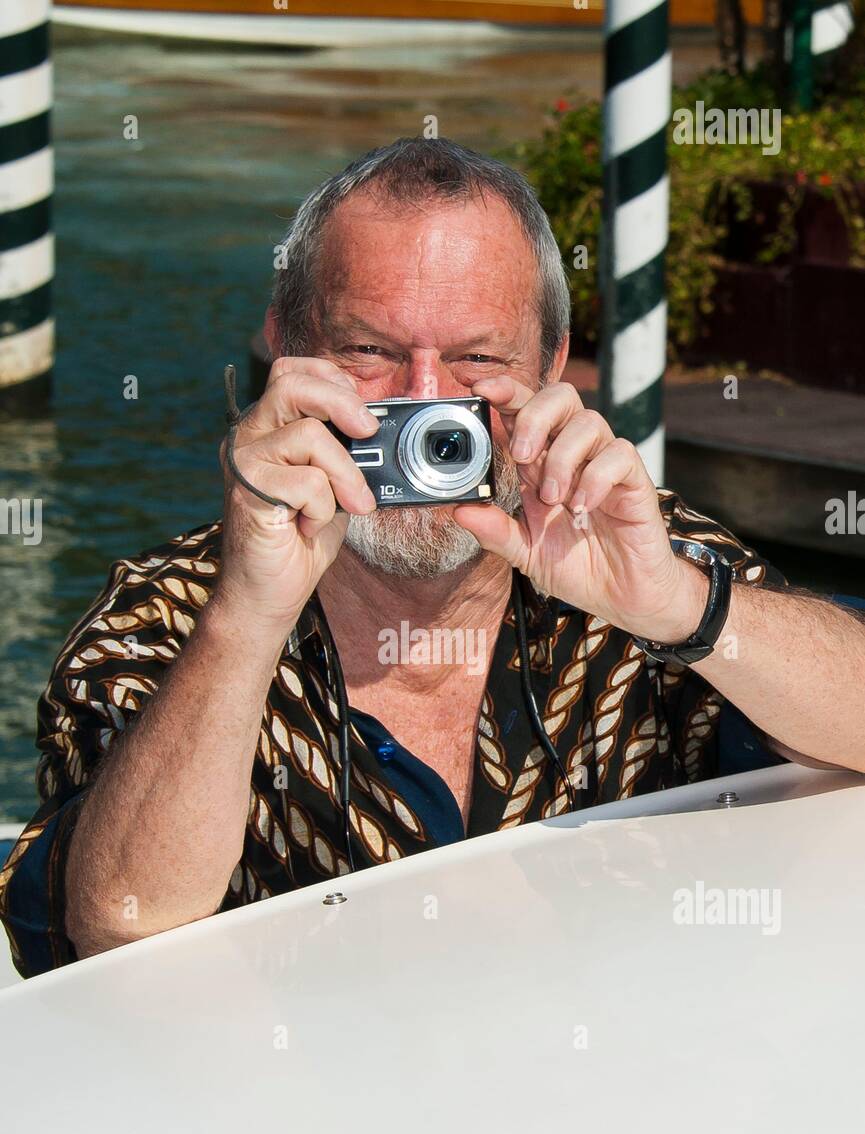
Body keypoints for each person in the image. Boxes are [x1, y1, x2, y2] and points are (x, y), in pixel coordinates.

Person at [2, 138, 863, 979]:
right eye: (369, 353)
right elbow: (116, 927)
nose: (423, 403)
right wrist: (246, 618)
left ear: (552, 366)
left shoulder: (624, 551)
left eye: (476, 361)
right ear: (282, 348)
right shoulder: (169, 614)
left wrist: (679, 605)